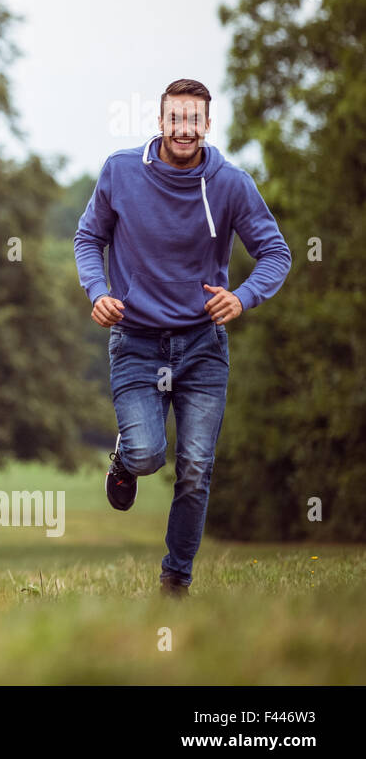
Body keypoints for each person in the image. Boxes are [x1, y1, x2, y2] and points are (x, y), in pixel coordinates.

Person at [74, 78, 291, 597]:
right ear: (160, 121)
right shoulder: (120, 171)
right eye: (176, 118)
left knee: (195, 467)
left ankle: (176, 579)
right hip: (136, 341)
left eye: (195, 120)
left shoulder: (231, 184)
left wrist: (242, 297)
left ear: (207, 125)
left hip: (202, 347)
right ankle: (127, 460)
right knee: (150, 454)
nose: (185, 129)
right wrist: (97, 290)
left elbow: (276, 253)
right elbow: (88, 237)